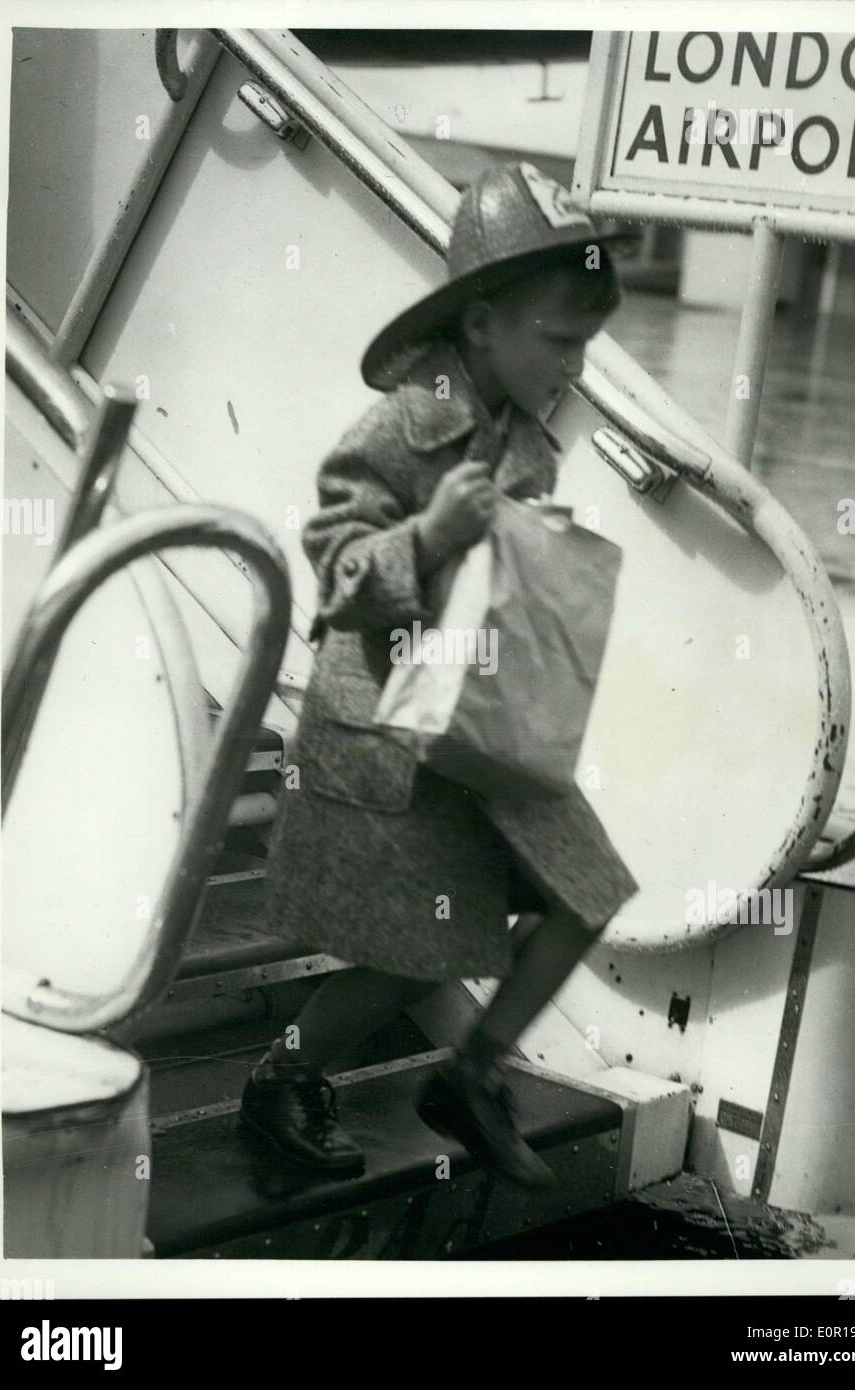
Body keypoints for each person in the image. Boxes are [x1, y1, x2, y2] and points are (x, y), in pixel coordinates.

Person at [240, 161, 639, 1188]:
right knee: (419, 942)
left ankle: (472, 1072)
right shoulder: (397, 427)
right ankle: (281, 1078)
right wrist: (428, 534)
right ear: (480, 325)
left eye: (584, 344)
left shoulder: (525, 436)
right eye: (558, 341)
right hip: (387, 729)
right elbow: (334, 577)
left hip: (482, 714)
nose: (574, 365)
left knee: (587, 893)